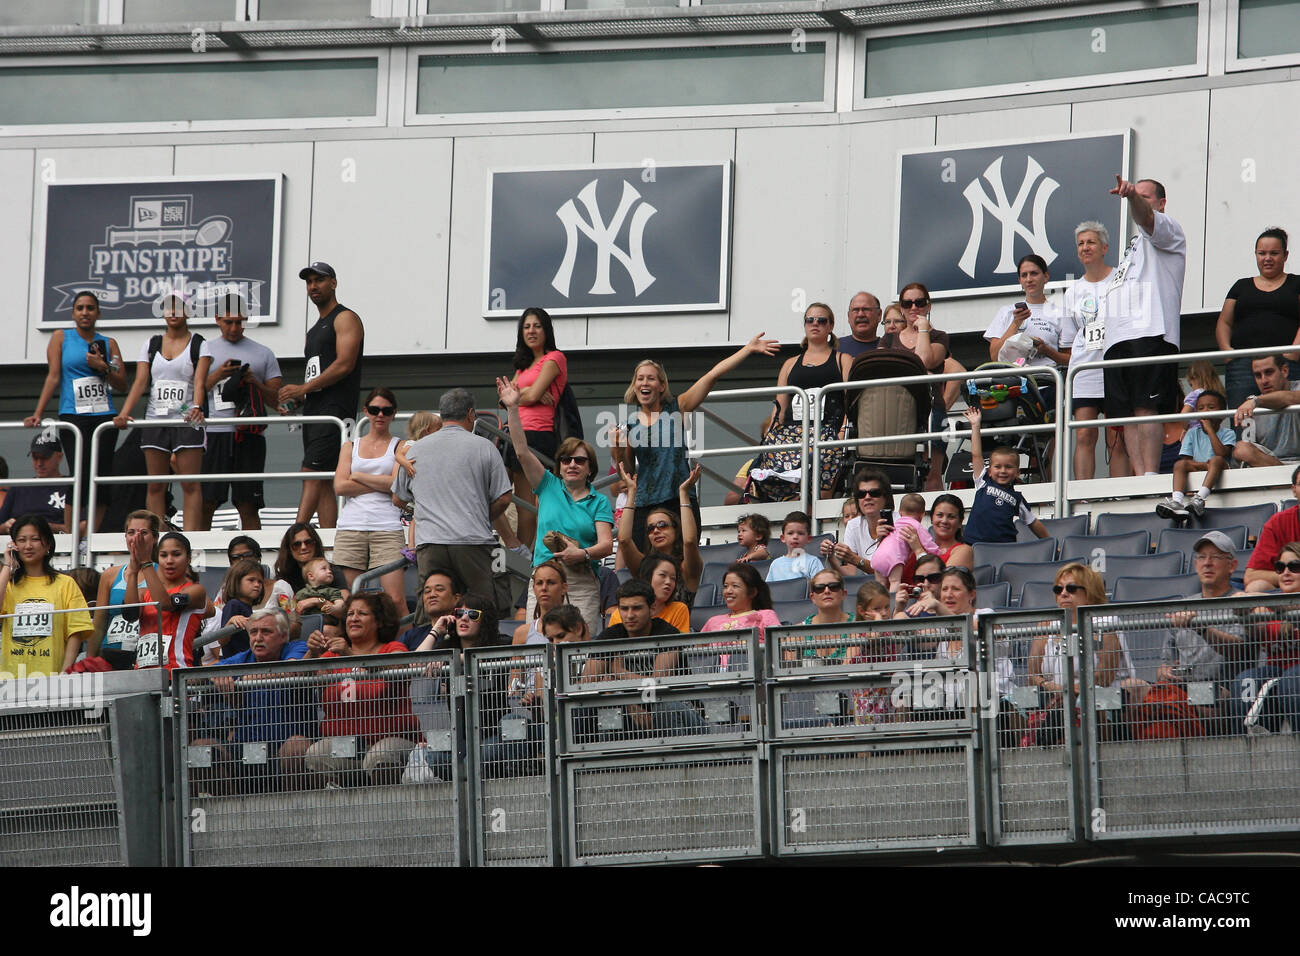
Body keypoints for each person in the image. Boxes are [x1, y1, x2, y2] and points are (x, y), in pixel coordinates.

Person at [613, 334, 778, 551]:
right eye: (640, 378)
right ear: (634, 386)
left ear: (662, 386)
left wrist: (747, 349)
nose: (645, 382)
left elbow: (712, 375)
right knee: (647, 567)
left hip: (679, 498)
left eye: (651, 378)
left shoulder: (677, 407)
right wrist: (617, 445)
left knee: (685, 559)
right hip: (645, 504)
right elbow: (624, 472)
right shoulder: (630, 424)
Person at [498, 376, 612, 637]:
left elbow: (606, 545)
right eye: (566, 459)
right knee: (538, 646)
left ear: (590, 468)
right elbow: (522, 451)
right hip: (544, 578)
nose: (572, 464)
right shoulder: (548, 485)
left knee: (579, 649)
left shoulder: (599, 501)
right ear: (559, 465)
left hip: (581, 580)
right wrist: (513, 408)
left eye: (579, 461)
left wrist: (581, 554)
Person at [1093, 177, 1187, 478]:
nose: (1138, 200)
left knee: (1147, 409)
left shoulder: (1168, 230)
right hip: (1118, 338)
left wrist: (1133, 194)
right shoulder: (1133, 248)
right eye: (1136, 195)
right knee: (1125, 414)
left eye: (1146, 196)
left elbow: (1144, 216)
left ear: (1161, 203)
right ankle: (1138, 474)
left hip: (1151, 331)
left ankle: (1149, 475)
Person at [392, 387, 512, 616]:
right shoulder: (484, 446)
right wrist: (481, 515)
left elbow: (398, 498)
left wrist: (423, 510)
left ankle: (434, 650)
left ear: (442, 415)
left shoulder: (417, 449)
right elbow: (504, 497)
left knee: (433, 612)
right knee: (480, 610)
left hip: (430, 543)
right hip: (473, 542)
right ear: (470, 414)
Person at [25, 290, 126, 534]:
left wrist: (102, 366)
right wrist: (38, 412)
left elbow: (122, 383)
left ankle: (91, 533)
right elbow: (53, 376)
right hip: (73, 414)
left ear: (98, 313)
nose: (85, 312)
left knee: (101, 474)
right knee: (79, 472)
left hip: (103, 415)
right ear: (73, 313)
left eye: (90, 308)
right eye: (80, 308)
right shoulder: (61, 338)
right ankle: (70, 535)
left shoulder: (109, 343)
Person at [113, 291, 211, 530]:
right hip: (155, 419)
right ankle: (157, 539)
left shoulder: (199, 343)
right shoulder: (151, 344)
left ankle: (190, 541)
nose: (173, 312)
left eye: (179, 307)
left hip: (185, 419)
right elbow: (140, 381)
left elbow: (199, 382)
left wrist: (197, 407)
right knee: (155, 485)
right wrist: (124, 412)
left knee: (190, 484)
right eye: (169, 307)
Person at [303, 592, 420, 787]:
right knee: (316, 754)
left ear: (380, 621)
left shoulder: (393, 648)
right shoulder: (333, 654)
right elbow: (298, 680)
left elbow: (400, 669)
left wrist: (351, 655)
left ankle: (387, 808)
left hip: (394, 742)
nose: (353, 618)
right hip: (345, 747)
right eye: (349, 614)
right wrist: (312, 653)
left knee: (379, 755)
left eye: (362, 613)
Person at [279, 262, 364, 529]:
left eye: (320, 280)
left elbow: (344, 364)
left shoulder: (345, 317)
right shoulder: (314, 330)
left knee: (312, 474)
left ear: (334, 283)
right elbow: (315, 375)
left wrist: (303, 389)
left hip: (334, 412)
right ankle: (329, 539)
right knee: (324, 479)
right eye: (309, 282)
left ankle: (294, 535)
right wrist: (298, 398)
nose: (314, 286)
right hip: (314, 412)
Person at [195, 608, 312, 794]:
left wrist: (246, 679)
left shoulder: (296, 647)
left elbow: (292, 670)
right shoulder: (244, 658)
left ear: (283, 636)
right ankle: (231, 810)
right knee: (200, 748)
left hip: (284, 751)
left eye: (266, 632)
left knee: (297, 746)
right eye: (253, 632)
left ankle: (292, 810)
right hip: (243, 750)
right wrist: (215, 676)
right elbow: (198, 675)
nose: (258, 638)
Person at [199, 293, 283, 531]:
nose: (234, 327)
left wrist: (253, 381)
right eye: (228, 322)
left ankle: (251, 559)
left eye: (239, 321)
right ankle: (195, 559)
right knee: (207, 501)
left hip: (250, 434)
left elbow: (276, 399)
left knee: (248, 503)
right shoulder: (204, 350)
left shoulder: (263, 353)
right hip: (215, 433)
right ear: (217, 319)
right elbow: (192, 394)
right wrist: (219, 375)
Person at [1059, 221, 1131, 480]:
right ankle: (1082, 499)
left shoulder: (1121, 280)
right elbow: (1068, 339)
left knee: (1117, 436)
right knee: (1084, 433)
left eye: (1090, 242)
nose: (1085, 247)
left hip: (1115, 368)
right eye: (1080, 243)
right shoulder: (1073, 290)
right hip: (1085, 370)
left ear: (1104, 247)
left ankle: (1120, 497)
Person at [333, 387, 407, 613]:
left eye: (386, 410)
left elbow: (397, 486)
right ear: (366, 411)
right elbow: (340, 487)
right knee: (354, 603)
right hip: (351, 526)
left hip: (387, 526)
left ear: (394, 413)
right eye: (375, 410)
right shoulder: (351, 446)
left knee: (395, 601)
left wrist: (357, 476)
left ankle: (405, 649)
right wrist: (380, 481)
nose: (380, 415)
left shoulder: (400, 446)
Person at [503, 307, 567, 554]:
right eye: (527, 326)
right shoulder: (522, 366)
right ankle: (518, 549)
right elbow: (507, 398)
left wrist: (523, 395)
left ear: (546, 330)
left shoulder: (554, 358)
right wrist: (525, 396)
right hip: (513, 432)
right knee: (501, 496)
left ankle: (527, 554)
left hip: (536, 435)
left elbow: (528, 394)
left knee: (528, 504)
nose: (531, 331)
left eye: (537, 326)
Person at [772, 303, 853, 498]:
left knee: (819, 494)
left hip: (828, 432)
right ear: (804, 325)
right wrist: (773, 437)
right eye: (810, 320)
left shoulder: (843, 359)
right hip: (792, 434)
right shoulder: (789, 364)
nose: (815, 324)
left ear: (830, 326)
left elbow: (851, 401)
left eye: (821, 320)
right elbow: (779, 407)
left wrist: (842, 433)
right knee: (790, 494)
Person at [1215, 227, 1300, 408]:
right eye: (1262, 253)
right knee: (1243, 417)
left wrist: (1293, 352)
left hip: (1284, 362)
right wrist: (1228, 352)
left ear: (1285, 255)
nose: (1267, 258)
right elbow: (1224, 322)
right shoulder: (1241, 286)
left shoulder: (1297, 283)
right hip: (1243, 364)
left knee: (1288, 417)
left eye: (1274, 253)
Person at [0, 515, 92, 677]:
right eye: (21, 540)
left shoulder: (65, 583)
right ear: (14, 545)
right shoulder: (8, 584)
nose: (28, 546)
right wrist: (7, 565)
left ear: (48, 543)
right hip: (10, 679)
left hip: (51, 678)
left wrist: (65, 671)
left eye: (35, 539)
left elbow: (76, 632)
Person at [880, 283, 950, 490]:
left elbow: (925, 360)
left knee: (932, 477)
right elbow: (882, 371)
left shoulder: (939, 336)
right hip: (896, 409)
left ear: (928, 306)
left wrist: (923, 330)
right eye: (907, 303)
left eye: (919, 302)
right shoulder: (889, 338)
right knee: (897, 476)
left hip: (930, 410)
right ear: (901, 308)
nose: (913, 308)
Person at [1159, 531, 1246, 690]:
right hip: (1182, 691)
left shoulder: (1241, 603)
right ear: (1195, 564)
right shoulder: (1183, 606)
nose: (1207, 563)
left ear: (1232, 566)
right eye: (1201, 557)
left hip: (1225, 691)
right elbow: (1164, 665)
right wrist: (1165, 672)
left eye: (1216, 557)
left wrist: (1202, 629)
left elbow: (1238, 649)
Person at [1233, 541, 1300, 733]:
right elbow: (1254, 627)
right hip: (1275, 675)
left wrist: (1266, 600)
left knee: (1292, 680)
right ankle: (1248, 749)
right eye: (1280, 567)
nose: (1286, 572)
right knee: (1245, 680)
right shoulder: (1268, 604)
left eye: (1294, 567)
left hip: (1293, 679)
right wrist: (1245, 608)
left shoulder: (1270, 602)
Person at [961, 406, 1049, 544]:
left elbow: (1033, 522)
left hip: (1004, 548)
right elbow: (976, 455)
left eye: (1008, 467)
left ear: (1017, 473)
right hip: (974, 544)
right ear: (989, 471)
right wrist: (975, 425)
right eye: (997, 467)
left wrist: (1049, 542)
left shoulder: (1018, 499)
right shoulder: (983, 482)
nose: (1002, 471)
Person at [616, 464, 703, 602]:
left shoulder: (687, 568)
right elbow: (624, 540)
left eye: (662, 525)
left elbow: (690, 541)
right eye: (650, 528)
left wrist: (684, 494)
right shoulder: (644, 567)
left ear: (676, 529)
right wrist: (632, 491)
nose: (656, 530)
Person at [123, 530, 207, 670]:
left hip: (176, 673)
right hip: (143, 675)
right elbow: (129, 615)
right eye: (163, 555)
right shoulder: (143, 593)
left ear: (189, 558)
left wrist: (145, 562)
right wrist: (132, 571)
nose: (169, 561)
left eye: (176, 554)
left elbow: (165, 604)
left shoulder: (196, 590)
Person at [88, 509, 160, 667]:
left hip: (146, 657)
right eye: (131, 532)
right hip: (111, 655)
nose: (136, 538)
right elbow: (99, 624)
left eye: (143, 532)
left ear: (154, 538)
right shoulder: (110, 575)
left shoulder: (161, 573)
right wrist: (90, 660)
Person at [1155, 390, 1236, 519]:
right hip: (1201, 467)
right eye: (1201, 408)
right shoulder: (1192, 433)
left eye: (1211, 407)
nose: (1205, 411)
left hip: (1220, 468)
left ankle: (1200, 498)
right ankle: (1177, 501)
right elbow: (1186, 460)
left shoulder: (1228, 433)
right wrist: (1204, 465)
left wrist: (1209, 430)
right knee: (1179, 464)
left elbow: (1222, 453)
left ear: (1222, 414)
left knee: (1216, 460)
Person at [984, 256, 1068, 369]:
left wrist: (1047, 350)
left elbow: (1071, 359)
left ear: (1046, 276)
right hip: (1015, 383)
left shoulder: (1060, 314)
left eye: (1034, 273)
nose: (1029, 279)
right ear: (1020, 281)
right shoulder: (1007, 311)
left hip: (1047, 381)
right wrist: (1016, 323)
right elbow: (994, 356)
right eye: (1024, 275)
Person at [820, 466, 894, 575]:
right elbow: (851, 574)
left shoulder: (899, 522)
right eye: (861, 494)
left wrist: (853, 558)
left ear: (886, 497)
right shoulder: (853, 525)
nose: (867, 497)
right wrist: (831, 558)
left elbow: (887, 572)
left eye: (874, 493)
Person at [1231, 355, 1300, 467]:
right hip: (1272, 466)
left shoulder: (1254, 402)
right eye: (1258, 375)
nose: (1264, 381)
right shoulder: (1250, 406)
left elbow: (1289, 398)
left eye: (1269, 372)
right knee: (1241, 449)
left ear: (1285, 371)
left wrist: (1255, 401)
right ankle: (1291, 482)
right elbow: (1247, 449)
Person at [268, 522, 348, 618]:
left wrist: (317, 601)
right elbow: (285, 612)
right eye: (296, 544)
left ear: (315, 544)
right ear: (289, 549)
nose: (303, 547)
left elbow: (347, 609)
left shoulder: (331, 571)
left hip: (329, 625)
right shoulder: (284, 577)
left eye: (308, 542)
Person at [0, 435, 73, 534]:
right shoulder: (19, 488)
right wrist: (6, 527)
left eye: (44, 457)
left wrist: (45, 527)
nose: (39, 463)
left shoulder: (72, 486)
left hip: (61, 545)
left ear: (59, 457)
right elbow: (1, 525)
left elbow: (85, 526)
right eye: (35, 457)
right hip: (19, 546)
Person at [1245, 464, 1300, 591]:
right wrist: (1294, 575)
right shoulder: (1278, 523)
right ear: (1294, 490)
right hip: (1290, 594)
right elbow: (1251, 576)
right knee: (1255, 587)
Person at [785, 568, 858, 664]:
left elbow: (849, 666)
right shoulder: (796, 633)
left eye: (834, 586)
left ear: (844, 594)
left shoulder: (858, 626)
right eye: (820, 588)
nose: (827, 591)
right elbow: (790, 671)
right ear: (812, 598)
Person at [870, 492, 938, 594]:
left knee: (880, 584)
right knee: (895, 581)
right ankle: (892, 604)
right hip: (893, 559)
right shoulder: (916, 526)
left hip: (877, 556)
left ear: (900, 512)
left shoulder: (894, 524)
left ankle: (879, 602)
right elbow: (928, 543)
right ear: (922, 515)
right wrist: (938, 551)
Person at [606, 552, 690, 633]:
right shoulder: (620, 614)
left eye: (673, 578)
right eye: (662, 575)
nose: (668, 582)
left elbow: (678, 646)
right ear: (647, 576)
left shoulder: (679, 610)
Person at [700, 563, 781, 639]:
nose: (728, 591)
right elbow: (696, 652)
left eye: (735, 586)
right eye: (725, 586)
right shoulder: (712, 621)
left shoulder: (765, 616)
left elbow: (781, 645)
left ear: (752, 592)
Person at [211, 557, 267, 662]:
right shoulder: (234, 605)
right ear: (237, 581)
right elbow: (222, 641)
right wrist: (231, 622)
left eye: (260, 581)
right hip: (235, 665)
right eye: (251, 580)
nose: (257, 585)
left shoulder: (248, 608)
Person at [398, 567, 465, 650]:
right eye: (427, 591)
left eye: (439, 589)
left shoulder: (465, 629)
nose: (432, 595)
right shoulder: (411, 635)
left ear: (456, 598)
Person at [597, 579, 680, 641]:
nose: (630, 615)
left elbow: (664, 665)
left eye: (637, 608)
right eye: (624, 609)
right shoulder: (610, 636)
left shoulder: (668, 634)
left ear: (652, 608)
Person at [513, 560, 568, 645]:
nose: (544, 588)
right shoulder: (521, 633)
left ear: (564, 588)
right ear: (534, 589)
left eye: (551, 583)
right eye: (539, 583)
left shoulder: (577, 628)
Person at [766, 510, 824, 583]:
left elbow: (820, 587)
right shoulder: (775, 564)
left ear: (808, 539)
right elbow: (769, 589)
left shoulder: (813, 562)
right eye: (790, 533)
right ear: (783, 538)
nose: (795, 537)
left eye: (800, 533)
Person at [893, 553, 946, 619]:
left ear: (944, 578)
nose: (926, 584)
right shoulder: (908, 615)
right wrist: (898, 610)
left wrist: (937, 606)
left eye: (933, 578)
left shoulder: (956, 606)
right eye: (920, 579)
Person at [929, 494, 974, 570]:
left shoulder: (964, 550)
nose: (944, 521)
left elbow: (945, 580)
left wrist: (918, 551)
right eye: (940, 515)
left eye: (951, 517)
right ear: (931, 518)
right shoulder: (922, 546)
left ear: (960, 522)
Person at [838, 291, 883, 359]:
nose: (860, 314)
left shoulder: (890, 349)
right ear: (848, 316)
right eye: (855, 310)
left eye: (866, 309)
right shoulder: (833, 348)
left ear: (879, 315)